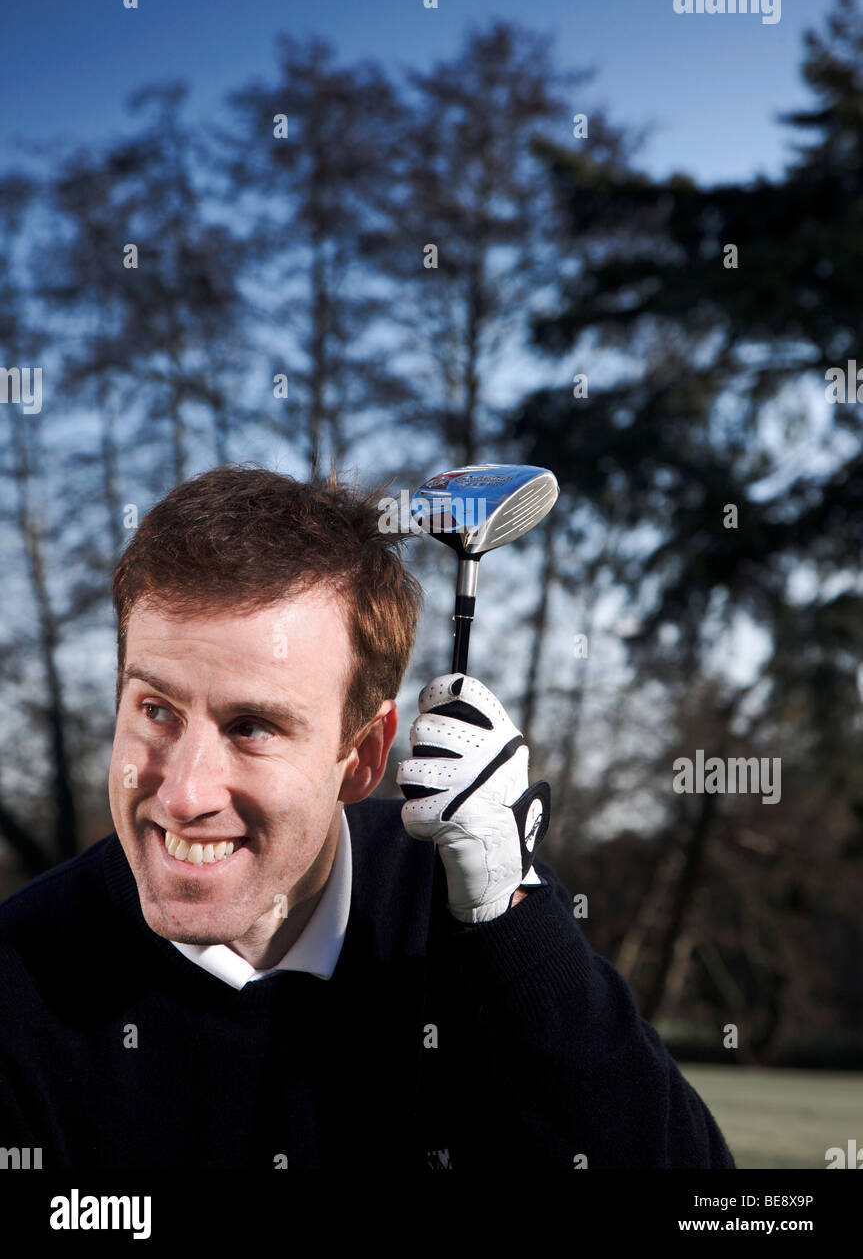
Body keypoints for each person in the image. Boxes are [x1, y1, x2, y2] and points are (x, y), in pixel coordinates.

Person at [0, 465, 735, 1170]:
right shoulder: (18, 981)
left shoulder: (467, 899)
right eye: (154, 709)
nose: (186, 793)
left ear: (362, 756)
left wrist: (511, 926)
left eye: (252, 727)